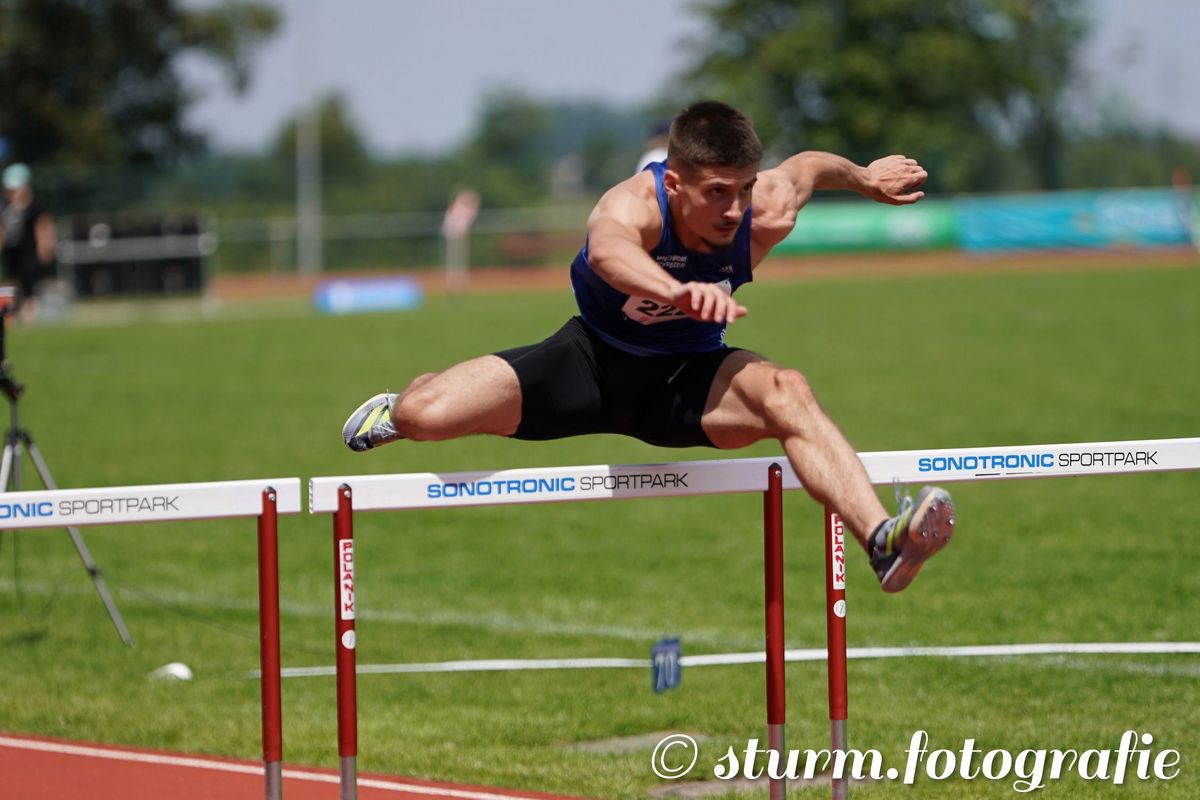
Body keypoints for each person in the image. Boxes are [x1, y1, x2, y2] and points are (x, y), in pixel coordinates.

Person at [342, 101, 955, 593]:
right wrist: (678, 291)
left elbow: (810, 167)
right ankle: (402, 403)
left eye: (742, 188)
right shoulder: (631, 203)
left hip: (690, 378)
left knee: (788, 390)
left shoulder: (764, 208)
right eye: (717, 191)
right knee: (425, 417)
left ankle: (882, 540)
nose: (733, 208)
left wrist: (867, 178)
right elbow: (608, 251)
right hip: (590, 364)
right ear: (675, 179)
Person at [0, 163, 56, 321]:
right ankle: (7, 314)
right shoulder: (4, 207)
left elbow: (44, 225)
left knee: (28, 279)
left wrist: (45, 245)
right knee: (9, 281)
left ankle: (28, 312)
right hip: (11, 250)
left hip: (29, 249)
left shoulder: (35, 206)